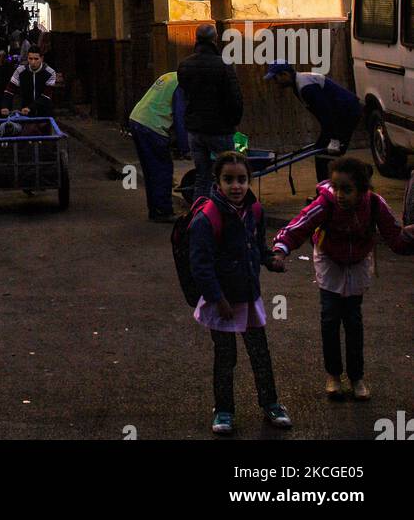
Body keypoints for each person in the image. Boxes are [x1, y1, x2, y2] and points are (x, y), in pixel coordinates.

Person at [272, 154, 414, 400]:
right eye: (336, 187)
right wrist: (280, 250)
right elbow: (298, 226)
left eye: (347, 189)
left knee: (353, 321)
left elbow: (395, 238)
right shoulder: (324, 204)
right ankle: (334, 375)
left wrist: (410, 237)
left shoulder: (375, 204)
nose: (339, 194)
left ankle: (357, 377)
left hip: (358, 263)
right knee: (329, 318)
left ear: (362, 190)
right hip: (329, 261)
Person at [189, 151, 290, 435]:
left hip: (249, 297)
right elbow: (200, 265)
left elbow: (257, 248)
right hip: (221, 302)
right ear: (217, 182)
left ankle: (271, 403)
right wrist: (217, 299)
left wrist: (271, 260)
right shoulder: (207, 218)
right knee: (225, 357)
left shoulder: (255, 211)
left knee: (260, 354)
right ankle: (223, 410)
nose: (236, 186)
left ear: (250, 180)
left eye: (242, 179)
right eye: (229, 179)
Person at [264, 63, 362, 183]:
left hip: (346, 113)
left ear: (285, 74)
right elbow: (323, 114)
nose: (275, 82)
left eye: (275, 78)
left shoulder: (306, 87)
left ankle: (351, 181)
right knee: (322, 152)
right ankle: (325, 191)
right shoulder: (298, 83)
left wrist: (335, 139)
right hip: (339, 115)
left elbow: (327, 112)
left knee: (328, 156)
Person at [177, 24, 243, 201]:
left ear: (196, 39)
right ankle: (226, 212)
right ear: (214, 40)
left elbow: (185, 94)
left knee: (202, 175)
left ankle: (199, 213)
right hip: (219, 129)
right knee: (228, 174)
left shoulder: (184, 65)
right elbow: (234, 98)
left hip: (195, 129)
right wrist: (233, 121)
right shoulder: (223, 65)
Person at [128, 71, 189, 223]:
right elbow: (180, 116)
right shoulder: (181, 84)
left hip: (138, 119)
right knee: (163, 169)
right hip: (153, 125)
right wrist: (185, 147)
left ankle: (155, 209)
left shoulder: (170, 76)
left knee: (150, 169)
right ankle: (163, 210)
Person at [1, 49, 56, 117]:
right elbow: (9, 90)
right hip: (25, 111)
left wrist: (30, 108)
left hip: (44, 112)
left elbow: (46, 95)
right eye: (30, 58)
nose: (33, 62)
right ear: (27, 58)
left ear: (41, 59)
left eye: (36, 59)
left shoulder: (50, 72)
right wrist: (5, 106)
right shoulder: (20, 70)